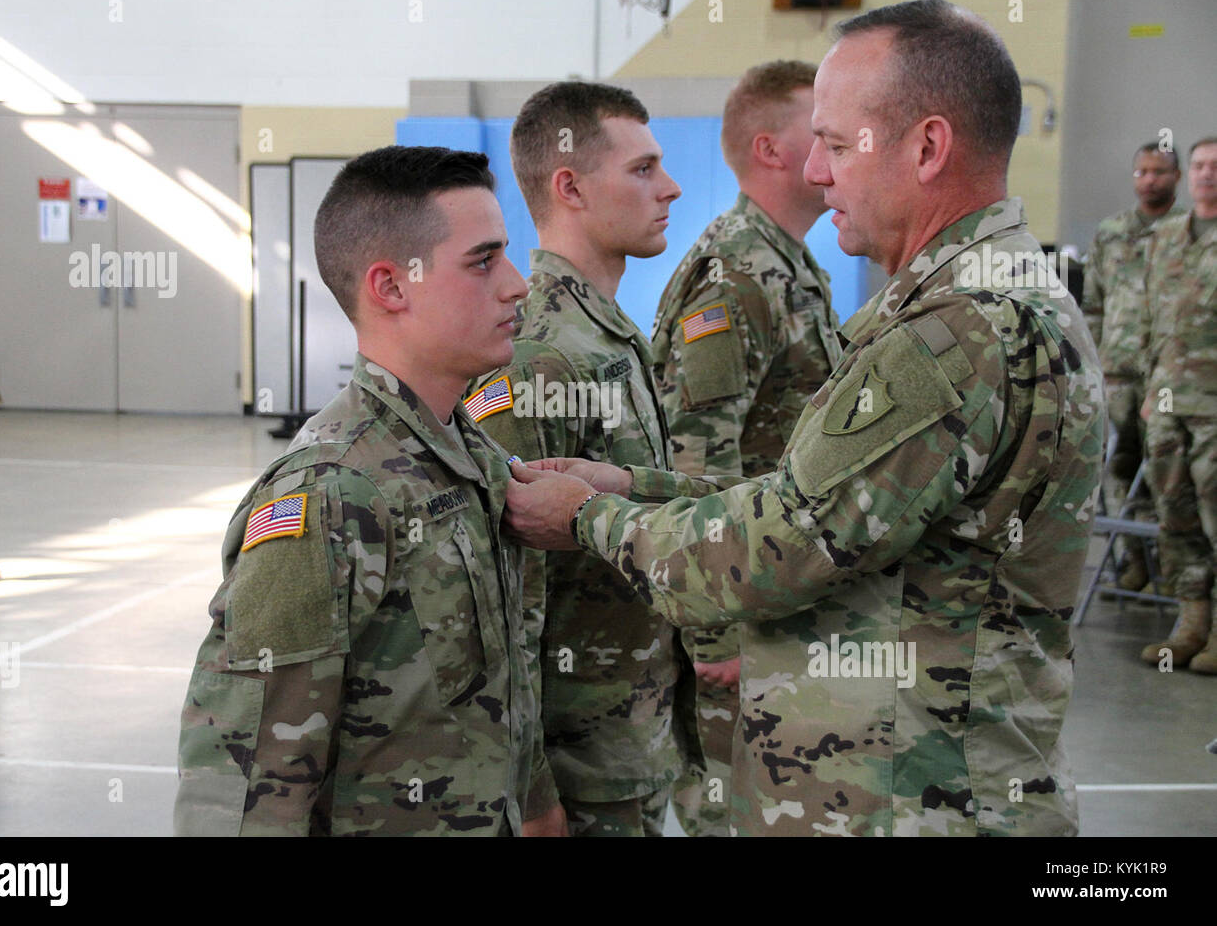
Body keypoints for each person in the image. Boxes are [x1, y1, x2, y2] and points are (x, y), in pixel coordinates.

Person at [503, 0, 1103, 837]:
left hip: (907, 800)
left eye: (836, 142)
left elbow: (778, 545)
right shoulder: (984, 301)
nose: (817, 172)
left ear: (928, 148)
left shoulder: (955, 332)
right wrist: (634, 483)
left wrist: (592, 517)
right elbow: (822, 499)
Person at [174, 146, 565, 836]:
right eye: (483, 261)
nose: (516, 284)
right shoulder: (331, 493)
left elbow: (501, 679)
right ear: (391, 286)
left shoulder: (470, 454)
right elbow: (245, 781)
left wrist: (535, 807)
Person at [464, 82, 698, 836]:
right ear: (569, 185)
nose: (670, 187)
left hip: (631, 739)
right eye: (643, 169)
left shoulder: (607, 336)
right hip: (578, 765)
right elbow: (505, 604)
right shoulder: (540, 351)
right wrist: (534, 797)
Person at [649, 59, 842, 837]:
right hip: (741, 611)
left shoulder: (789, 264)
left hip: (775, 596)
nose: (835, 146)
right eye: (818, 129)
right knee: (730, 809)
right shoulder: (736, 271)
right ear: (768, 149)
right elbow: (695, 460)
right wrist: (715, 630)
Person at [1081, 142, 1184, 591]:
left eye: (1159, 171)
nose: (1149, 180)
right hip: (1117, 368)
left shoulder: (1189, 232)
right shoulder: (1112, 232)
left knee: (1166, 469)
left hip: (1169, 373)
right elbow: (1093, 304)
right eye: (1141, 171)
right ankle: (1131, 561)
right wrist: (1091, 364)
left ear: (1176, 177)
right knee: (1117, 467)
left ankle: (1171, 567)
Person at [1138, 136, 1217, 674]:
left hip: (1214, 401)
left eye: (1216, 166)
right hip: (1167, 400)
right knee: (1175, 514)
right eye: (1199, 165)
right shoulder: (1166, 236)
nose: (1207, 174)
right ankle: (1190, 627)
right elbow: (1150, 317)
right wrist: (1149, 389)